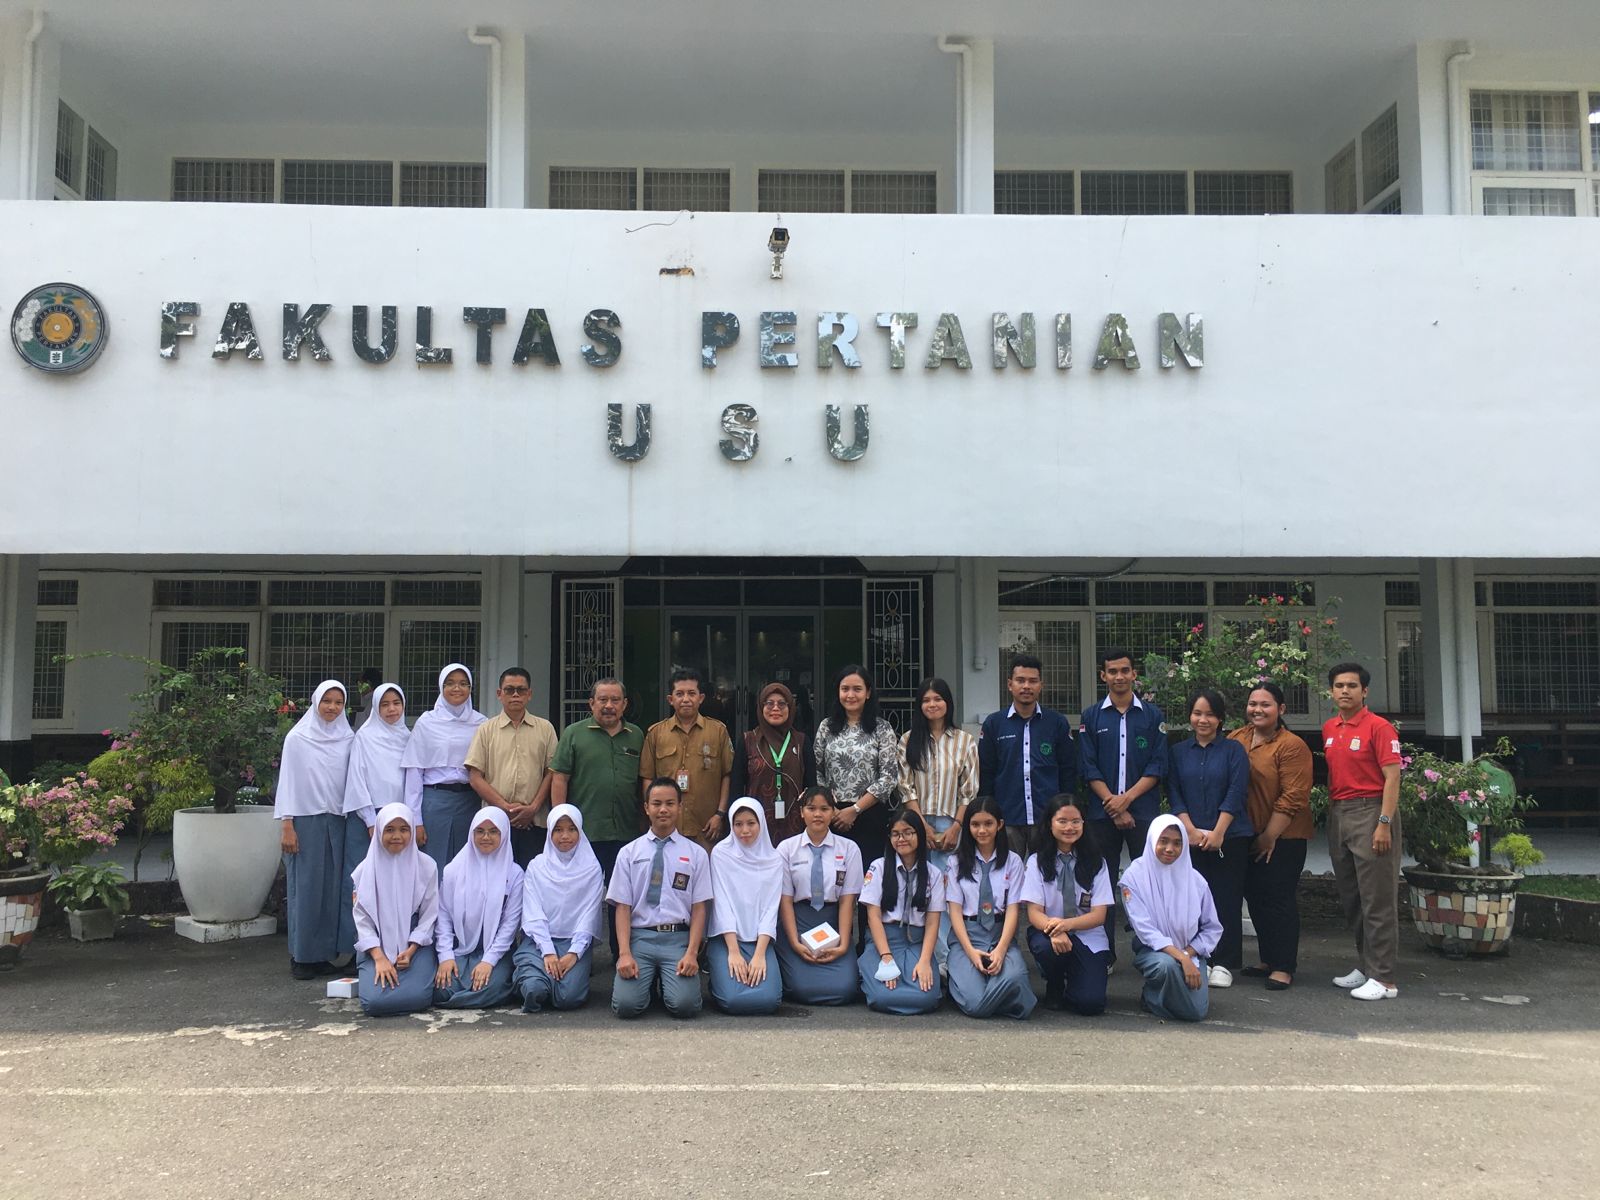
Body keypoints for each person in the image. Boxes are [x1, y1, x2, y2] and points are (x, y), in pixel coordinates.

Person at [1077, 646, 1169, 964]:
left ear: (1134, 674)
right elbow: (1088, 767)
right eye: (1112, 671)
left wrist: (1126, 800)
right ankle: (1105, 954)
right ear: (1103, 676)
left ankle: (1152, 951)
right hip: (1101, 815)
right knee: (1101, 882)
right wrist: (1112, 804)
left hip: (1142, 812)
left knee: (1149, 882)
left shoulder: (1153, 716)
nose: (1119, 676)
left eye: (1125, 670)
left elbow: (1157, 766)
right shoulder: (1091, 716)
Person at [1324, 661, 1403, 1002]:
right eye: (1339, 685)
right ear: (1331, 691)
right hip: (1340, 813)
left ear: (1364, 691)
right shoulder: (1330, 727)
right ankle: (1367, 965)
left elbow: (1393, 777)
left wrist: (1384, 823)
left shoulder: (1379, 727)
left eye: (1352, 686)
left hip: (1371, 812)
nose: (1345, 691)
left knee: (1377, 899)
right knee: (1352, 895)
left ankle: (1384, 978)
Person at [1166, 687, 1251, 989]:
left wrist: (1218, 832)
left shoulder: (1234, 750)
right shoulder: (1177, 752)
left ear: (1220, 719)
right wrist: (1188, 829)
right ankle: (1196, 955)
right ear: (1190, 716)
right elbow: (1174, 791)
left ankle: (1224, 963)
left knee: (1225, 900)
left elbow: (1236, 791)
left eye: (1210, 714)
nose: (1203, 720)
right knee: (1192, 902)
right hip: (1189, 838)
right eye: (1198, 713)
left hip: (1230, 837)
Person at [607, 778, 712, 1019]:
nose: (663, 809)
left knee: (685, 1006)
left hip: (677, 939)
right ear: (646, 808)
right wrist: (624, 953)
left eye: (669, 803)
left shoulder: (695, 853)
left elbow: (699, 908)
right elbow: (622, 907)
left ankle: (666, 982)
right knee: (626, 1006)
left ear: (680, 807)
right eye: (656, 803)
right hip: (641, 939)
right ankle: (649, 983)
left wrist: (692, 953)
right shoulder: (629, 853)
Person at [1232, 682, 1314, 990]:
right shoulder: (1237, 738)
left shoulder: (1291, 745)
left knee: (1278, 899)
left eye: (1265, 705)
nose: (1257, 710)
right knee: (1255, 897)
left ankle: (1283, 966)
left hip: (1284, 837)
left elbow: (1293, 797)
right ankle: (1267, 959)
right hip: (1247, 835)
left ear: (1281, 710)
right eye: (1253, 704)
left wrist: (1269, 836)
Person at [276, 680, 355, 979]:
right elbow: (287, 782)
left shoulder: (348, 737)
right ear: (315, 702)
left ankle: (324, 954)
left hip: (337, 821)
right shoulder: (298, 738)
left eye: (338, 702)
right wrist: (287, 824)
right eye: (327, 701)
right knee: (306, 889)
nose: (333, 707)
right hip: (304, 822)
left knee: (332, 891)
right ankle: (302, 957)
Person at [1121, 815, 1222, 1022]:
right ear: (1152, 840)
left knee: (1198, 1011)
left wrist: (1188, 953)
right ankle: (1152, 995)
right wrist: (1182, 959)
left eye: (1177, 843)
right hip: (1153, 950)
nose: (1170, 849)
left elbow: (1212, 928)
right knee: (1166, 967)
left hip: (1191, 949)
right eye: (1163, 841)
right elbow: (1145, 929)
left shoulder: (1195, 880)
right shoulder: (1134, 877)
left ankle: (1160, 996)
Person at [944, 796, 1036, 1020]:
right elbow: (954, 911)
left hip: (999, 935)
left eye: (988, 824)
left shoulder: (1013, 861)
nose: (982, 830)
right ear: (968, 827)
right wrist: (970, 952)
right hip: (967, 936)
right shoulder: (956, 861)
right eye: (975, 824)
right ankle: (999, 996)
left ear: (1000, 825)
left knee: (1013, 975)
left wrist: (1001, 950)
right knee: (976, 1006)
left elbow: (1014, 909)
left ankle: (984, 989)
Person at [1021, 795, 1113, 1015]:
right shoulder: (1036, 861)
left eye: (1076, 821)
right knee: (1045, 948)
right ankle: (1054, 982)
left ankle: (1076, 979)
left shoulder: (1096, 861)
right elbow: (1034, 913)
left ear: (1084, 823)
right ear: (1050, 824)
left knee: (1090, 1004)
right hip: (1049, 934)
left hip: (1087, 935)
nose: (1069, 827)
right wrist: (1055, 930)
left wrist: (1065, 926)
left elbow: (1099, 915)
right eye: (1062, 821)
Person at [549, 677, 645, 886]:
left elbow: (643, 781)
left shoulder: (636, 735)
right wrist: (560, 821)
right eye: (602, 700)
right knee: (582, 891)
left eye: (615, 700)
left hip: (626, 829)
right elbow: (560, 778)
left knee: (621, 894)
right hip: (585, 830)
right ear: (592, 703)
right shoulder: (574, 733)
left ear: (625, 704)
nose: (609, 706)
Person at [979, 653, 1076, 858]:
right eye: (1020, 680)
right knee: (1008, 877)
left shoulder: (1056, 723)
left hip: (1047, 817)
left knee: (1047, 876)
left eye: (1032, 681)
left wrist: (1065, 810)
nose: (1026, 686)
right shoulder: (994, 724)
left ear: (1041, 685)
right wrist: (989, 813)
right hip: (1008, 816)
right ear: (1010, 684)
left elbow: (1068, 769)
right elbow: (986, 772)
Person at [513, 803, 605, 1012]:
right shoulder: (537, 866)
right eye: (558, 829)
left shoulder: (591, 868)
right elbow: (533, 912)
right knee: (533, 990)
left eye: (572, 829)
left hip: (574, 942)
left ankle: (551, 980)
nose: (565, 836)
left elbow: (589, 915)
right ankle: (532, 977)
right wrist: (547, 952)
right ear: (549, 832)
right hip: (538, 942)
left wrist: (573, 953)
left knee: (569, 998)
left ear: (580, 831)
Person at [775, 785, 863, 1005]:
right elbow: (785, 900)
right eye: (811, 808)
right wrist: (795, 942)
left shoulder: (849, 849)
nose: (817, 814)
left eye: (824, 809)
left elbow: (847, 901)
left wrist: (843, 944)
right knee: (800, 988)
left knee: (846, 988)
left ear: (833, 812)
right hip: (798, 920)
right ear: (801, 812)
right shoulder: (786, 849)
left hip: (833, 921)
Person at [341, 682, 409, 967]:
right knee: (364, 887)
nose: (392, 709)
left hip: (401, 824)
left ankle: (398, 949)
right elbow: (357, 780)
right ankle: (362, 952)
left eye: (397, 703)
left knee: (398, 887)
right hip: (369, 821)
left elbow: (413, 781)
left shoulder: (409, 737)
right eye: (384, 704)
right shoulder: (364, 738)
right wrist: (371, 821)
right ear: (376, 708)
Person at [351, 803, 440, 1017]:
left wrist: (411, 950)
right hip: (376, 944)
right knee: (373, 1002)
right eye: (389, 830)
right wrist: (379, 958)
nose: (397, 836)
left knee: (420, 997)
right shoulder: (363, 871)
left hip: (415, 943)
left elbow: (429, 915)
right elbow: (361, 919)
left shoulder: (427, 866)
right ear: (379, 831)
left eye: (404, 829)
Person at [464, 666, 558, 868]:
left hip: (534, 822)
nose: (515, 694)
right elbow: (475, 776)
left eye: (521, 690)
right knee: (496, 880)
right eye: (509, 690)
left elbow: (551, 772)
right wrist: (505, 808)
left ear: (529, 694)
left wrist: (533, 808)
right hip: (495, 823)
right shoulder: (486, 730)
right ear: (499, 694)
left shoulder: (545, 728)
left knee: (531, 878)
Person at [402, 664, 487, 876]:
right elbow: (414, 772)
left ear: (470, 688)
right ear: (441, 687)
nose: (456, 688)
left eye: (462, 683)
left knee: (467, 865)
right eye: (450, 683)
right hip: (435, 801)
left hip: (470, 801)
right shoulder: (427, 722)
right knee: (432, 864)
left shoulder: (482, 723)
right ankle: (432, 910)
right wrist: (415, 820)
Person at [432, 807, 522, 1009]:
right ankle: (469, 997)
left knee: (492, 985)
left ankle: (458, 1001)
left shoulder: (514, 874)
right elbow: (443, 916)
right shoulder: (453, 870)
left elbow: (510, 925)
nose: (486, 837)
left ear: (504, 834)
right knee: (442, 987)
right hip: (460, 948)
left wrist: (488, 961)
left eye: (493, 831)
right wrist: (445, 957)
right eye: (479, 831)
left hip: (496, 950)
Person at [857, 808, 944, 1015]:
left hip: (916, 942)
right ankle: (866, 974)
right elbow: (873, 917)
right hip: (884, 941)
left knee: (927, 997)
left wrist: (924, 961)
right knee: (882, 996)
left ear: (919, 836)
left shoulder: (934, 874)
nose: (901, 839)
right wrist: (886, 956)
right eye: (896, 834)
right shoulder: (877, 868)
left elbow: (933, 922)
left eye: (908, 832)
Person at [639, 669, 734, 851]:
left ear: (701, 698)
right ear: (670, 699)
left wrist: (720, 815)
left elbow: (726, 775)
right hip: (666, 827)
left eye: (692, 693)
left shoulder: (718, 731)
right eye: (679, 694)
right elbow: (647, 778)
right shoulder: (656, 734)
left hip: (706, 828)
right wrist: (653, 814)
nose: (686, 699)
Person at [814, 664, 900, 862]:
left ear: (868, 693)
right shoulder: (826, 727)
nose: (850, 695)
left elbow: (888, 777)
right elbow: (816, 771)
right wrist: (832, 809)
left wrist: (855, 810)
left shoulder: (882, 728)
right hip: (832, 815)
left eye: (857, 689)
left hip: (869, 813)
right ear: (838, 692)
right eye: (845, 689)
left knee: (866, 874)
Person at [707, 797, 785, 1015]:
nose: (745, 830)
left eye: (751, 823)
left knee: (770, 999)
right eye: (738, 824)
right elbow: (721, 903)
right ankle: (717, 983)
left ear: (761, 822)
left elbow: (771, 908)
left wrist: (760, 954)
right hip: (726, 939)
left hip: (761, 940)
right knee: (731, 1000)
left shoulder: (775, 859)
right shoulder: (721, 854)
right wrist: (733, 951)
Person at [897, 676, 978, 873]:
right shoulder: (907, 740)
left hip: (951, 822)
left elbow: (968, 790)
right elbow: (905, 786)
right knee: (917, 876)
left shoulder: (965, 741)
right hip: (916, 821)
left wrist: (956, 827)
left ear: (947, 703)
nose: (932, 704)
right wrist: (922, 825)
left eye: (937, 699)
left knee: (948, 878)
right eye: (926, 700)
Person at [729, 681, 816, 845]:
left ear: (790, 707)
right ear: (761, 708)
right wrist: (737, 822)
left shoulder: (801, 741)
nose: (775, 708)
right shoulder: (748, 740)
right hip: (754, 824)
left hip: (794, 825)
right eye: (769, 703)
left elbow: (811, 787)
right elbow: (736, 786)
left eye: (782, 704)